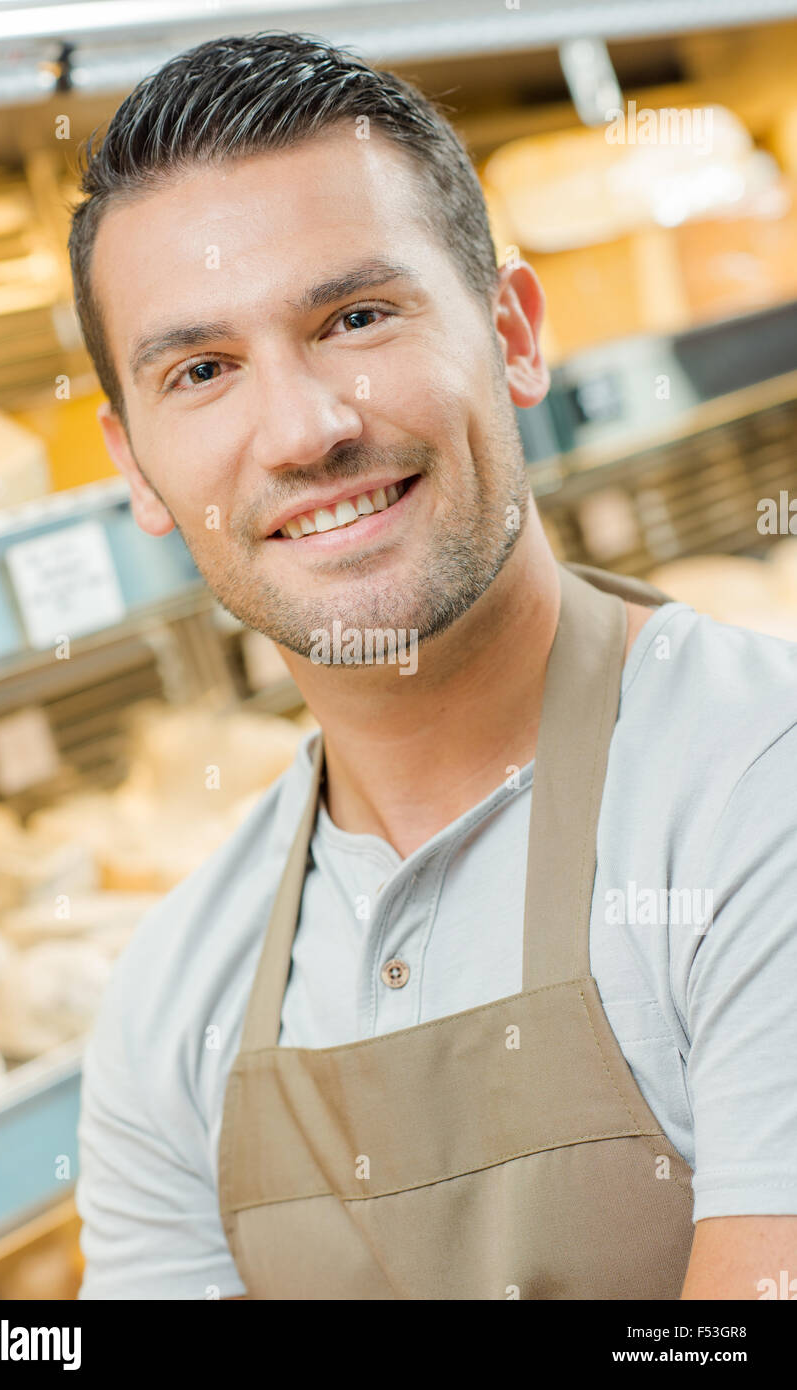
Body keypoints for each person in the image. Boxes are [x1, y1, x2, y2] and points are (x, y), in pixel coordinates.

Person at [69, 31, 797, 1299]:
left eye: (356, 316)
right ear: (134, 466)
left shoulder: (755, 792)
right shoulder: (167, 1005)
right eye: (203, 370)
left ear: (513, 332)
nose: (305, 430)